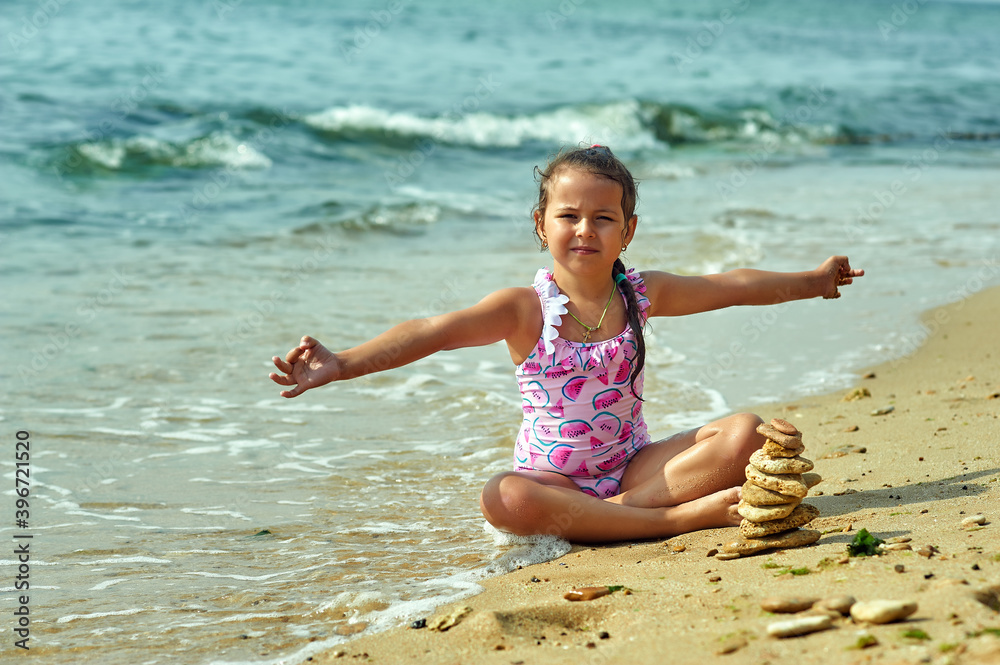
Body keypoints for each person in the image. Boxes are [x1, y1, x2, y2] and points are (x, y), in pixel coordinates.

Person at [269, 145, 863, 543]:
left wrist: (813, 282)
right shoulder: (522, 309)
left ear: (627, 230)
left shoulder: (641, 292)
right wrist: (342, 363)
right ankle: (678, 519)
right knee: (502, 497)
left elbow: (729, 287)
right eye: (569, 215)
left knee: (746, 434)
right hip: (554, 482)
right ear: (540, 224)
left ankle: (619, 518)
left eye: (604, 218)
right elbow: (431, 333)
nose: (585, 229)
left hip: (634, 468)